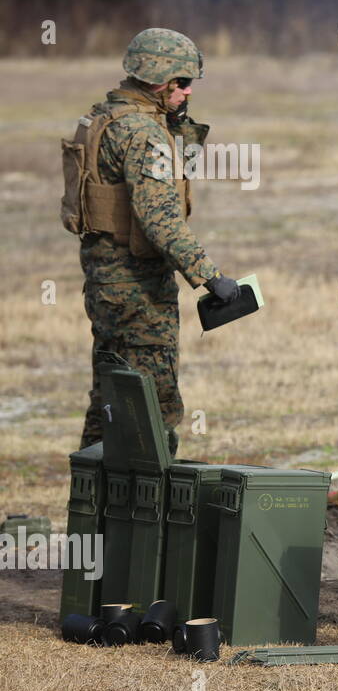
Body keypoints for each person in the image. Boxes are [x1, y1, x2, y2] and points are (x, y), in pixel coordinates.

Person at [73, 28, 236, 452]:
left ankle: (90, 510)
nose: (187, 92)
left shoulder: (102, 118)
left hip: (106, 286)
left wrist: (178, 126)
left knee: (109, 400)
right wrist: (210, 277)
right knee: (154, 410)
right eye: (182, 84)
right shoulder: (142, 134)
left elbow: (175, 176)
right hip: (139, 292)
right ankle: (143, 514)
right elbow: (161, 219)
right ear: (158, 79)